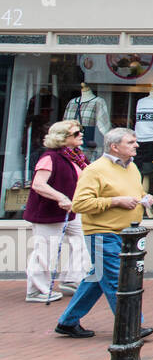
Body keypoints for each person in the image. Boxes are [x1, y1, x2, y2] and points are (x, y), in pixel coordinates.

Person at [54, 128, 153, 339]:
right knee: (116, 280)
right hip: (102, 233)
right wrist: (116, 202)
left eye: (136, 141)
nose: (136, 145)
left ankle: (67, 322)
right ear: (114, 147)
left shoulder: (132, 167)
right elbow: (80, 203)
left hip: (127, 234)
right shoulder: (95, 170)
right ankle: (132, 324)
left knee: (96, 278)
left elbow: (136, 192)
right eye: (131, 142)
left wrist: (146, 198)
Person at [24, 121, 91, 303]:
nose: (81, 135)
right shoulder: (50, 157)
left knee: (83, 242)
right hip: (48, 213)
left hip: (71, 211)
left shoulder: (77, 157)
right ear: (63, 138)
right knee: (45, 251)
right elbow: (38, 184)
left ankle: (72, 279)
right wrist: (60, 197)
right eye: (76, 133)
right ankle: (36, 290)